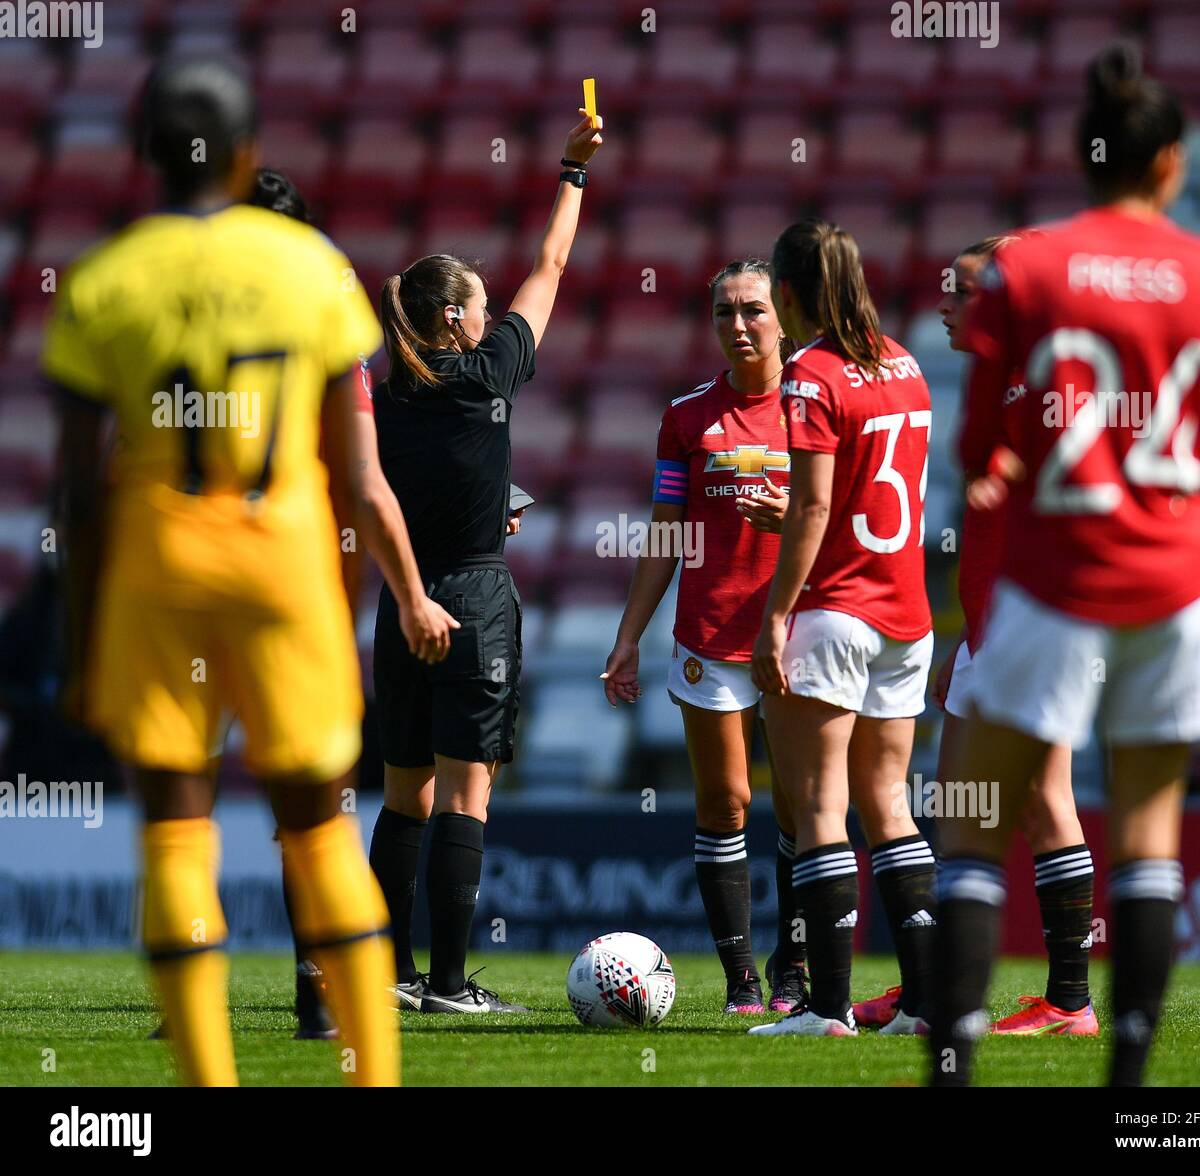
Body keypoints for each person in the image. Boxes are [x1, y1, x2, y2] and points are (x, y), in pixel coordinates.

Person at [44, 57, 401, 1085]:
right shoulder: (312, 269)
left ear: (144, 153)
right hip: (281, 564)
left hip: (158, 568)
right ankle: (371, 1077)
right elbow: (346, 466)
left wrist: (78, 647)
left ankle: (205, 1081)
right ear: (246, 152)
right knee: (321, 829)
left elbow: (80, 493)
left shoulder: (105, 277)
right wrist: (331, 608)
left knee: (172, 826)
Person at [929, 43, 1200, 1086]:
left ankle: (948, 1065)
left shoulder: (1023, 272)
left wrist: (1002, 465)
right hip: (1180, 590)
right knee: (1147, 836)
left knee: (975, 824)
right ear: (1171, 164)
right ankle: (1127, 1082)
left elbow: (977, 443)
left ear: (1083, 159)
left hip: (1052, 582)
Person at [368, 109, 602, 1013]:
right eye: (479, 296)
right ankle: (452, 984)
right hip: (472, 594)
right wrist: (572, 172)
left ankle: (386, 977)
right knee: (467, 799)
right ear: (461, 316)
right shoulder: (487, 373)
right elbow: (550, 269)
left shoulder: (384, 401)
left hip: (399, 602)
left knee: (401, 801)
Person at [853, 234, 1098, 1037]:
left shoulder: (1050, 380)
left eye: (960, 290)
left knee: (1043, 800)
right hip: (989, 629)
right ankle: (932, 990)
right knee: (963, 808)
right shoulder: (1009, 382)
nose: (943, 305)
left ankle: (1069, 1002)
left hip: (1033, 626)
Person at [242, 167, 457, 1041]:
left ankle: (189, 997)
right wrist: (410, 596)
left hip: (178, 585)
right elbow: (366, 484)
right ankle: (318, 993)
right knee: (314, 801)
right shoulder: (327, 335)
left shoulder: (158, 301)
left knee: (181, 805)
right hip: (294, 589)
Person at [603, 257, 809, 1016]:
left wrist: (791, 522)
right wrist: (629, 637)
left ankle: (793, 970)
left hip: (796, 635)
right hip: (708, 635)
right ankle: (743, 982)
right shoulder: (688, 416)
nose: (739, 325)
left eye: (753, 309)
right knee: (725, 803)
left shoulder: (816, 403)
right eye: (724, 312)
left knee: (799, 809)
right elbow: (665, 535)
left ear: (783, 315)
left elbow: (846, 527)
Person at [749, 219, 935, 1038]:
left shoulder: (810, 375)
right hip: (907, 615)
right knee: (889, 805)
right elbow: (868, 495)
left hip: (834, 611)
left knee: (822, 808)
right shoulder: (906, 363)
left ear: (787, 294)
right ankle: (922, 1005)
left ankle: (826, 1009)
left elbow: (820, 504)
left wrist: (778, 613)